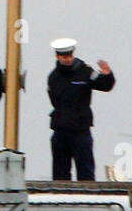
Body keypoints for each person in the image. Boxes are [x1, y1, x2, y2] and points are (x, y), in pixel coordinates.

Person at [47, 38, 115, 181]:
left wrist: (107, 74)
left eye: (70, 56)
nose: (68, 59)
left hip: (80, 130)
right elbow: (54, 100)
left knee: (86, 172)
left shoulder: (85, 71)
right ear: (58, 56)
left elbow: (105, 85)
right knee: (60, 174)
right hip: (61, 130)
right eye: (64, 56)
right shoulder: (53, 77)